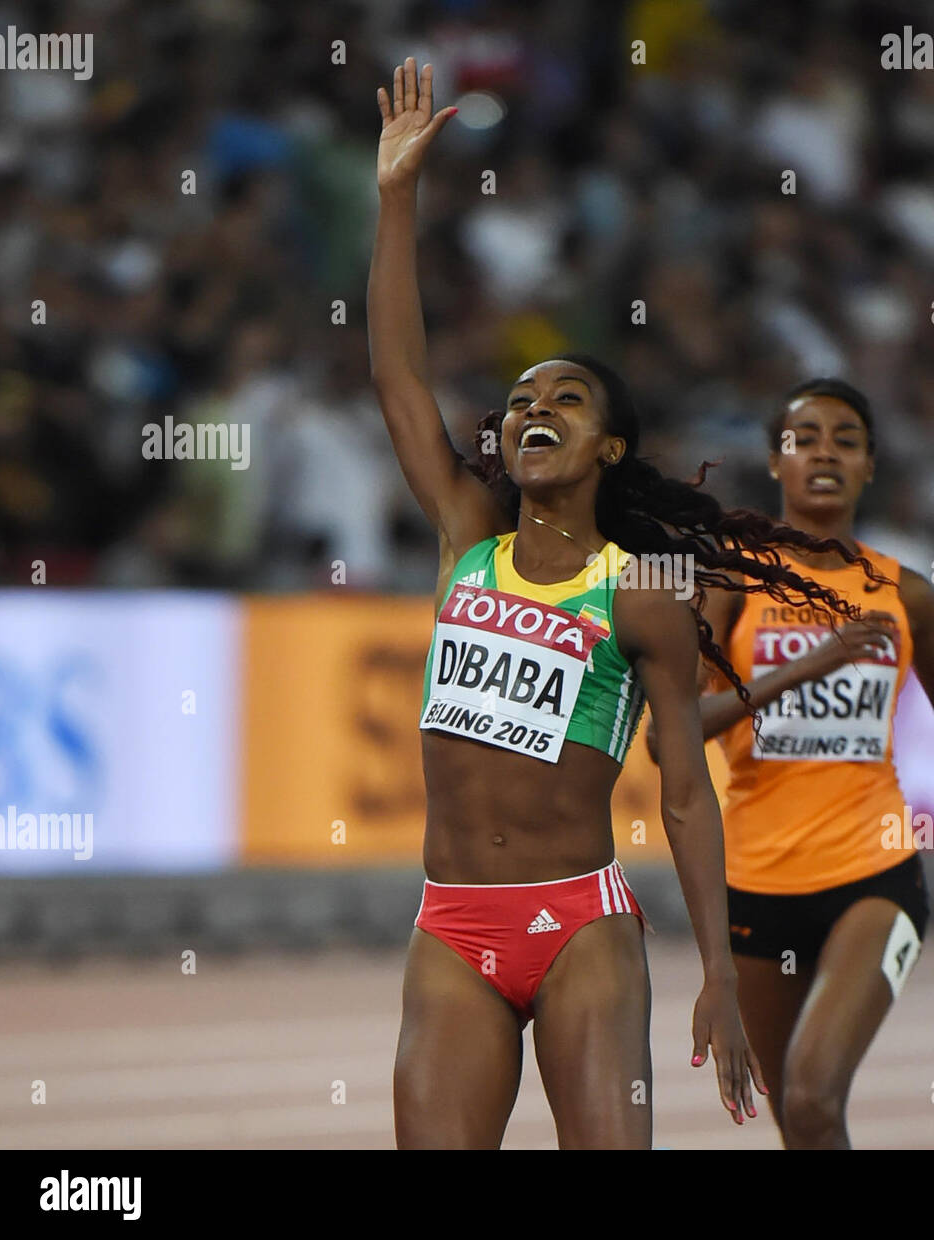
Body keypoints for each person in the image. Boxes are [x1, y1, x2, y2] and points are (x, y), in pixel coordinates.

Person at [371, 60, 885, 1149]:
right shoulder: (469, 537)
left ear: (607, 446)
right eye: (518, 401)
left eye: (564, 397)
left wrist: (717, 974)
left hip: (579, 931)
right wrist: (397, 198)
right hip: (450, 924)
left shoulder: (640, 590)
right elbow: (399, 380)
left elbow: (686, 797)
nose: (531, 409)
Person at [652, 379, 934, 1148]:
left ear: (870, 467)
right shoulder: (733, 580)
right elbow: (668, 733)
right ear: (777, 461)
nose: (824, 453)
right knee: (801, 1127)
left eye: (845, 440)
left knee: (812, 1096)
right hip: (754, 887)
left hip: (872, 875)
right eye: (804, 437)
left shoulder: (903, 591)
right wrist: (796, 671)